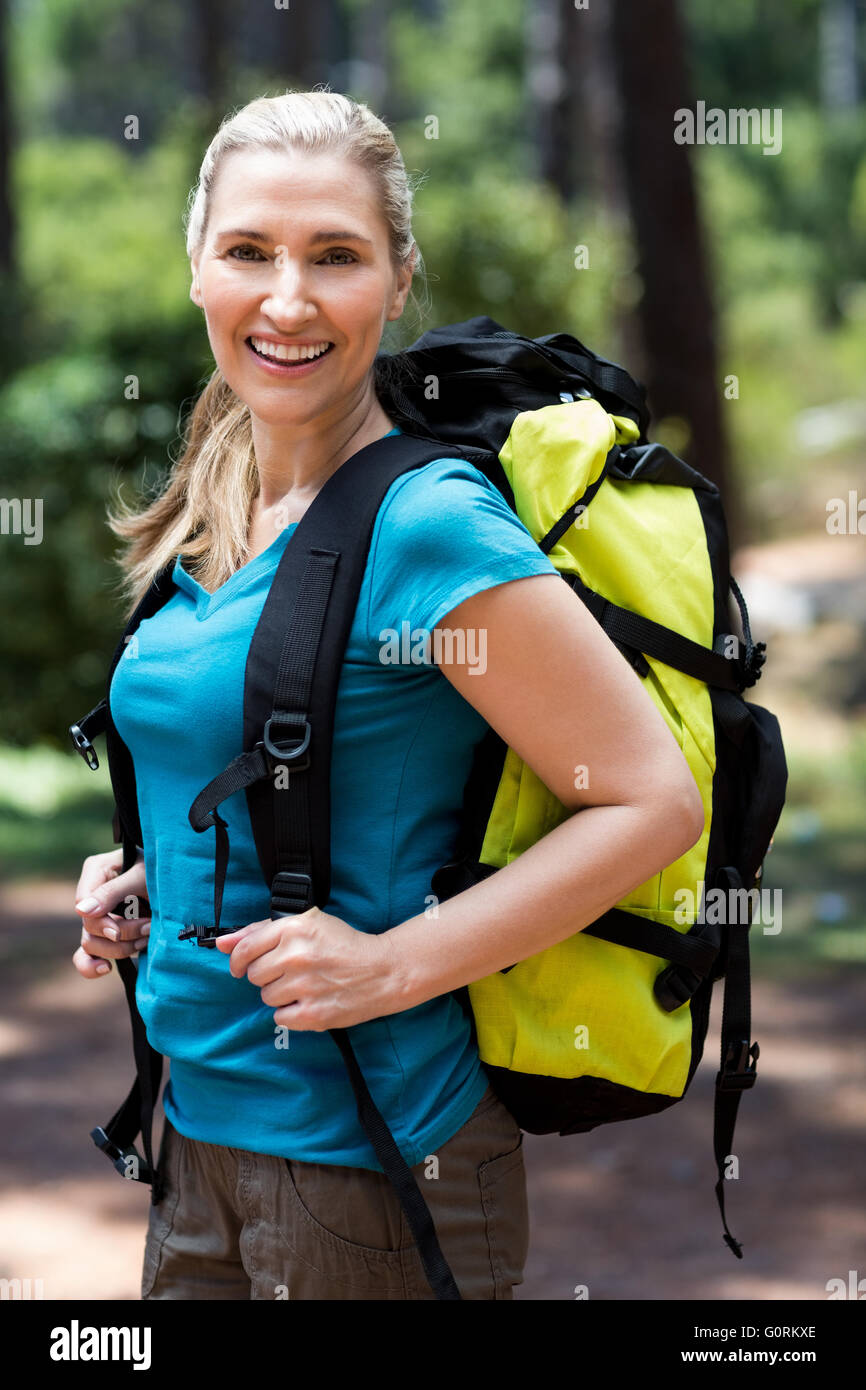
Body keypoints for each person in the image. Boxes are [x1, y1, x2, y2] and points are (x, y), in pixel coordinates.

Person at [71, 89, 704, 1301]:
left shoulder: (425, 527)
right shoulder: (214, 505)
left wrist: (394, 965)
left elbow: (648, 801)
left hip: (371, 1162)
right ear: (197, 268)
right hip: (195, 1133)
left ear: (397, 280)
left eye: (336, 256)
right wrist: (152, 876)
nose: (289, 298)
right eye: (248, 251)